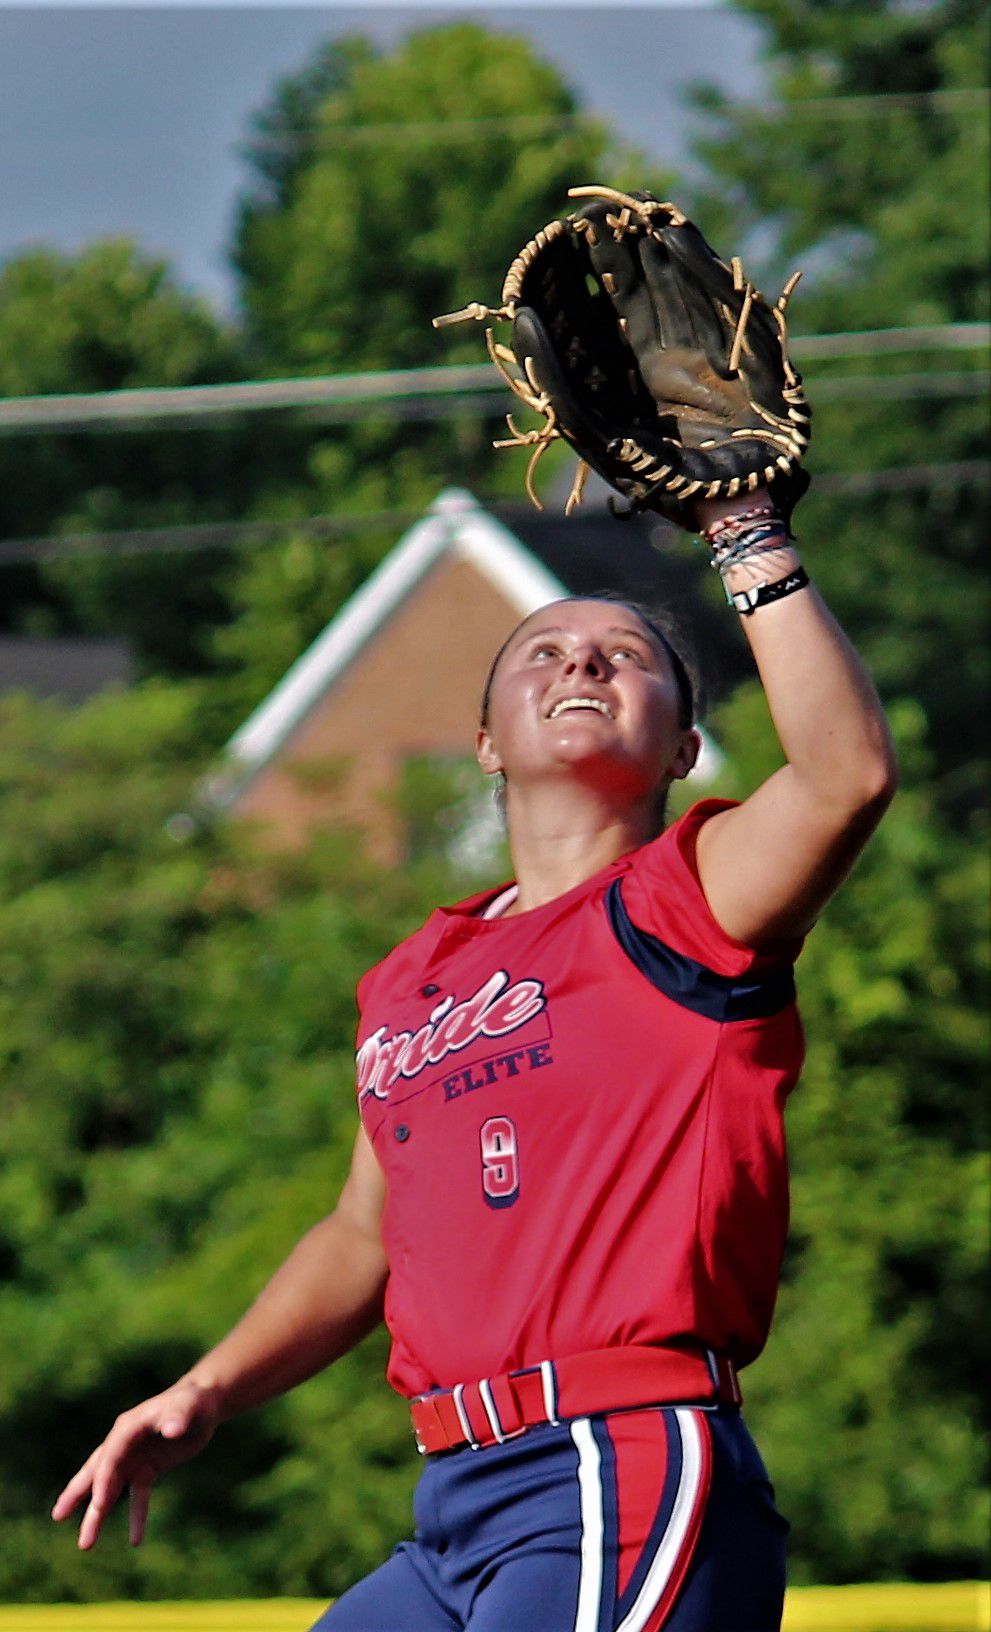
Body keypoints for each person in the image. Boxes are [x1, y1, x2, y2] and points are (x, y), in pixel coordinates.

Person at [53, 485, 897, 1631]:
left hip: (614, 1469)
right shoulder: (411, 979)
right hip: (456, 1502)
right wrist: (210, 1386)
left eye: (626, 657)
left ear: (685, 749)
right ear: (488, 744)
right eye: (542, 652)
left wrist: (745, 535)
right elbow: (363, 1236)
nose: (582, 661)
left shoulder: (685, 902)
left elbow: (845, 776)